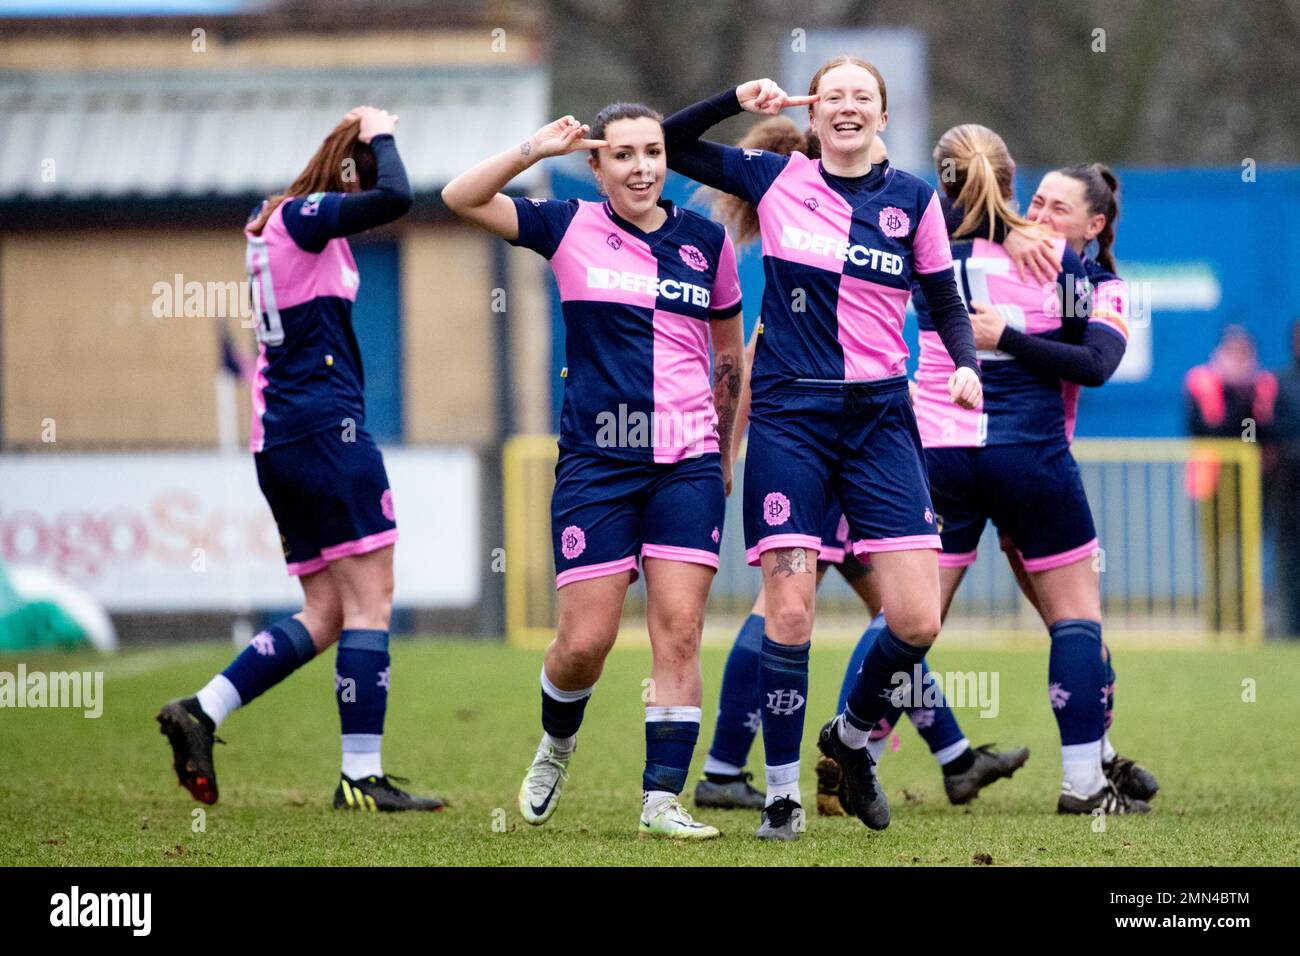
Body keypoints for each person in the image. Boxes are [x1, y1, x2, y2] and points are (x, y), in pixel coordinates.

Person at [664, 58, 983, 839]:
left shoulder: (913, 199)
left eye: (861, 98)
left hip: (880, 422)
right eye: (832, 96)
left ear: (884, 113)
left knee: (915, 621)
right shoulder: (774, 179)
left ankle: (847, 741)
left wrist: (968, 366)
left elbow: (943, 298)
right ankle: (781, 797)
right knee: (792, 612)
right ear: (814, 115)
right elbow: (669, 143)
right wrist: (736, 99)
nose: (846, 108)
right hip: (790, 419)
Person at [441, 102, 745, 838]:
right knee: (585, 645)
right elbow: (460, 198)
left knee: (680, 629)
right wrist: (530, 150)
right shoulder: (569, 227)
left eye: (653, 152)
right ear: (596, 167)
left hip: (687, 462)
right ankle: (558, 742)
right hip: (596, 463)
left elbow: (730, 357)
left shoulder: (707, 240)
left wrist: (725, 452)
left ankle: (661, 800)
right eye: (625, 155)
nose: (643, 167)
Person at [838, 125, 1148, 815]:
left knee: (907, 621)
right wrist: (1019, 289)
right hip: (1029, 458)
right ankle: (1084, 782)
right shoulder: (1074, 274)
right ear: (1011, 184)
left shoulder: (922, 245)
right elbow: (1091, 360)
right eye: (1032, 201)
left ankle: (852, 739)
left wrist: (996, 299)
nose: (1039, 217)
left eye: (1056, 209)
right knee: (1076, 620)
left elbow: (908, 214)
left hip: (936, 458)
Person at [158, 107, 445, 812]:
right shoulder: (302, 216)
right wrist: (381, 132)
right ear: (352, 171)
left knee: (326, 610)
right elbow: (400, 196)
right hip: (324, 434)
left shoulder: (276, 221)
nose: (371, 206)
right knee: (371, 600)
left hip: (285, 438)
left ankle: (203, 709)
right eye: (366, 177)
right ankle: (361, 776)